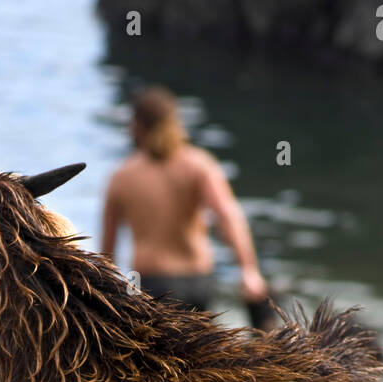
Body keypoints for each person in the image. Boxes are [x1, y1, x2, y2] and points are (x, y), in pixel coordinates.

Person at [101, 86, 272, 321]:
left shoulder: (122, 176)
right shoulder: (198, 165)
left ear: (137, 126)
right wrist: (249, 271)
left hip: (147, 283)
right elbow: (228, 216)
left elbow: (106, 255)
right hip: (196, 282)